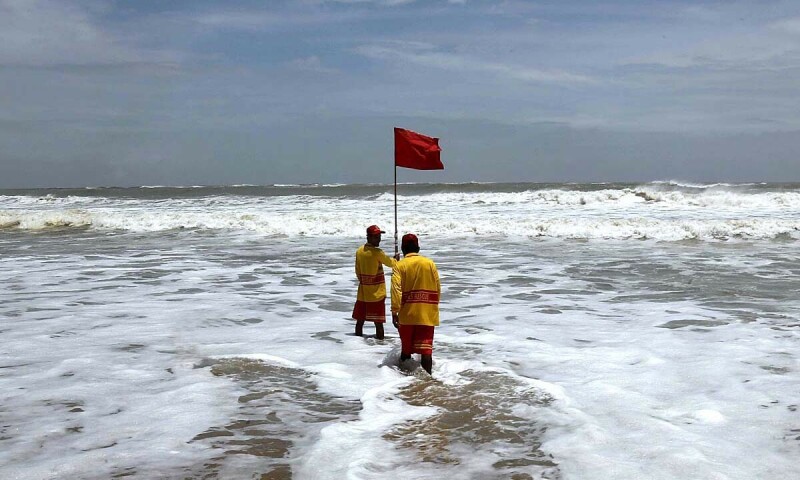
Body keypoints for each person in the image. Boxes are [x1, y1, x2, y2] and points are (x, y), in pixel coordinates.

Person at [391, 233, 440, 375]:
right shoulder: (429, 263)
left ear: (403, 249)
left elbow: (396, 290)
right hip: (427, 314)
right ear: (418, 248)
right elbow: (437, 288)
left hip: (407, 315)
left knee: (406, 351)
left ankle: (401, 380)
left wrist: (395, 311)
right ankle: (429, 381)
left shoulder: (399, 266)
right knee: (426, 352)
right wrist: (432, 307)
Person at [353, 225, 399, 340]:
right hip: (377, 295)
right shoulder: (378, 252)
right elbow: (391, 263)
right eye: (376, 237)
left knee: (360, 322)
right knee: (378, 324)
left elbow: (357, 271)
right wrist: (396, 259)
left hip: (363, 294)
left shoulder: (359, 251)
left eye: (379, 236)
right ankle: (380, 346)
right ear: (368, 237)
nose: (379, 239)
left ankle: (356, 344)